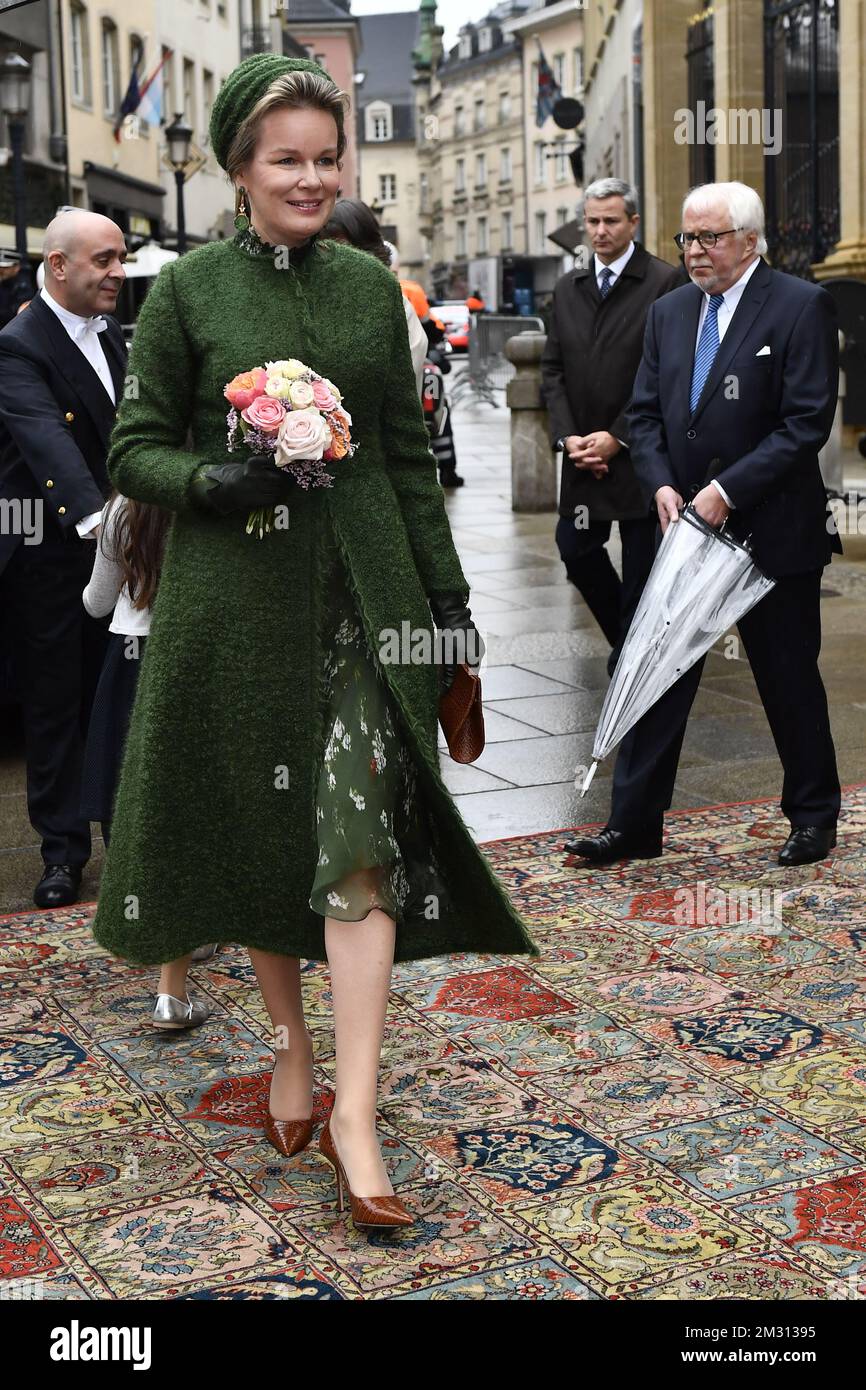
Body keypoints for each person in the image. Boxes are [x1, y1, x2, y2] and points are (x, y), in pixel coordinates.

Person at [90, 53, 537, 1229]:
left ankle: (353, 1107)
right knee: (262, 831)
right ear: (238, 168)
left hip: (364, 611)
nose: (310, 175)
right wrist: (217, 478)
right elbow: (131, 449)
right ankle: (288, 1044)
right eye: (285, 158)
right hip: (233, 613)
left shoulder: (362, 290)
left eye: (324, 156)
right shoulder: (185, 294)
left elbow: (401, 459)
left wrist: (447, 613)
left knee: (357, 843)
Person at [566, 181, 842, 869]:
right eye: (686, 238)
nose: (693, 251)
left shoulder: (801, 306)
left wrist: (726, 488)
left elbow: (806, 421)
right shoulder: (670, 313)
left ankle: (813, 817)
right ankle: (633, 824)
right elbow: (647, 415)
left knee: (786, 678)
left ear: (749, 240)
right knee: (657, 672)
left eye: (709, 238)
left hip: (771, 535)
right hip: (682, 529)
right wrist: (659, 482)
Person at [0, 210, 128, 908]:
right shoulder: (17, 345)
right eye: (104, 261)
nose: (117, 273)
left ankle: (126, 841)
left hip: (122, 550)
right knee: (56, 706)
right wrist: (106, 525)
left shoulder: (110, 335)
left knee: (116, 700)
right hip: (51, 558)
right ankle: (60, 854)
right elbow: (47, 441)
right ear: (58, 265)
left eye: (120, 259)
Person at [80, 491, 216, 1029]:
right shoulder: (208, 498)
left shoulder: (120, 510)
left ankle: (139, 914)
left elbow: (96, 601)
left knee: (131, 791)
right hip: (190, 655)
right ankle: (195, 931)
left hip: (129, 656)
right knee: (191, 796)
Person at [541, 178, 684, 675]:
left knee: (643, 568)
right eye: (593, 221)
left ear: (634, 223)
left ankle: (631, 660)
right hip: (583, 454)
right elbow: (552, 370)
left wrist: (618, 437)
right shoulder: (567, 288)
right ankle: (631, 645)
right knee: (575, 548)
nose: (600, 231)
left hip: (641, 454)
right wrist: (568, 437)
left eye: (611, 221)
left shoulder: (666, 283)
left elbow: (671, 373)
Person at [322, 200, 427, 397]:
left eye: (343, 248)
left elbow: (402, 381)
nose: (334, 259)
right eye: (323, 248)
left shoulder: (394, 304)